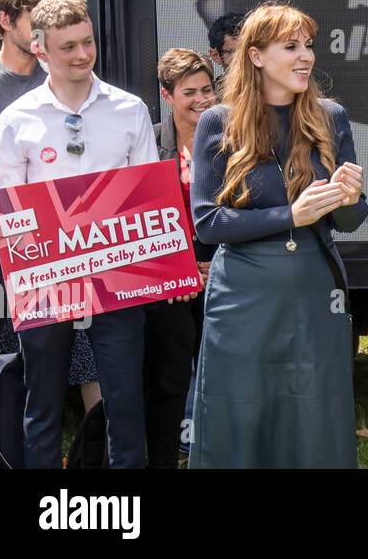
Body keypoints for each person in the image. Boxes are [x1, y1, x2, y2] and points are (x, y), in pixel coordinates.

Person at [189, 1, 367, 468]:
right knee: (239, 409)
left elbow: (349, 221)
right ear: (255, 56)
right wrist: (292, 214)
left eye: (308, 45)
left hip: (315, 291)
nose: (306, 56)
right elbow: (208, 223)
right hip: (243, 295)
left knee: (315, 412)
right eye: (291, 47)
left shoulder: (331, 117)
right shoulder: (218, 121)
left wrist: (348, 200)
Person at [0, 0, 158, 468]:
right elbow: (8, 205)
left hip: (120, 273)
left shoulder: (129, 110)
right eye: (69, 47)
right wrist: (4, 229)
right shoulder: (17, 117)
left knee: (125, 401)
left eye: (88, 42)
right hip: (43, 278)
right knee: (41, 403)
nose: (83, 54)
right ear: (41, 50)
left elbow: (147, 196)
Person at [144, 48, 216, 468]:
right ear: (167, 95)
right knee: (168, 376)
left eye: (207, 89)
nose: (202, 99)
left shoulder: (231, 137)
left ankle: (215, 450)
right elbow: (139, 217)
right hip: (168, 279)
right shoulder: (149, 141)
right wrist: (178, 268)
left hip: (220, 270)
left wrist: (213, 260)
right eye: (189, 92)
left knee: (220, 371)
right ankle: (166, 455)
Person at [0, 0, 57, 358]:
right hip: (1, 234)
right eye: (35, 21)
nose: (42, 32)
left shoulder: (56, 78)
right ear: (5, 20)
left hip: (54, 235)